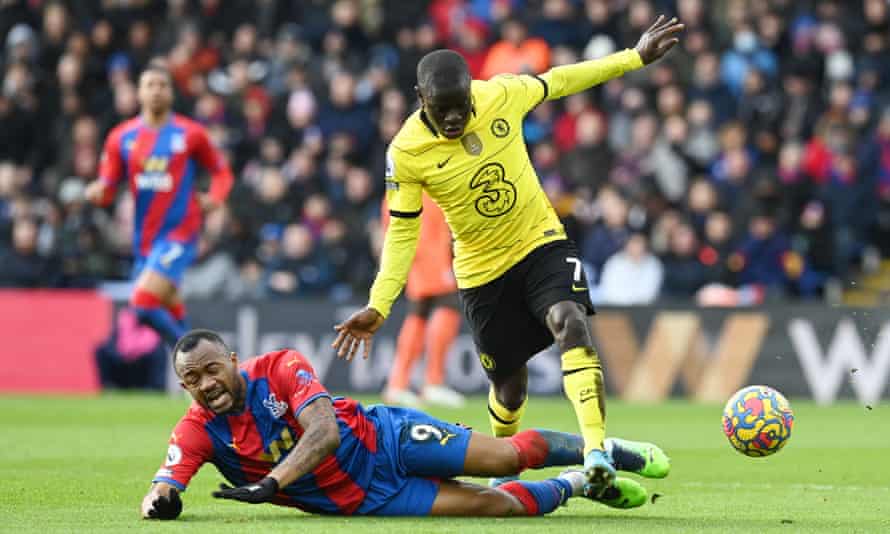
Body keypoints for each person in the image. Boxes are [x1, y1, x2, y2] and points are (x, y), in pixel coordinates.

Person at [331, 16, 683, 495]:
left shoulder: (501, 94)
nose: (455, 118)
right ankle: (504, 466)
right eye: (443, 110)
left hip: (540, 242)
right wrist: (380, 303)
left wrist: (634, 57)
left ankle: (597, 453)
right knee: (509, 388)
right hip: (481, 272)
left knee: (571, 321)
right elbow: (402, 233)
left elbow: (562, 79)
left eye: (462, 106)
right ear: (421, 99)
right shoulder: (406, 152)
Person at [141, 329, 670, 519]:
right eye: (193, 379)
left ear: (232, 360)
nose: (207, 383)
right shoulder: (196, 432)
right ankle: (578, 485)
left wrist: (272, 483)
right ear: (184, 386)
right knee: (497, 506)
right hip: (368, 500)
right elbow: (161, 489)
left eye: (213, 369)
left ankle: (605, 449)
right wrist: (162, 503)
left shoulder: (279, 366)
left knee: (506, 458)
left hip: (385, 438)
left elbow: (323, 432)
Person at [85, 62, 234, 346]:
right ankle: (208, 375)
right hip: (145, 241)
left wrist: (215, 198)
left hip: (180, 234)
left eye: (162, 85)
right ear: (139, 92)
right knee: (169, 307)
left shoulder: (190, 133)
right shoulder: (121, 137)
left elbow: (221, 171)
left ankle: (194, 360)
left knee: (141, 303)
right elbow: (107, 187)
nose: (156, 91)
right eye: (149, 85)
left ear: (171, 93)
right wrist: (98, 192)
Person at [381, 193, 465, 408]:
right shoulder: (420, 177)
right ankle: (432, 383)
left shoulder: (401, 178)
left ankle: (398, 385)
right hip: (428, 250)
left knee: (419, 314)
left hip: (414, 249)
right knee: (447, 305)